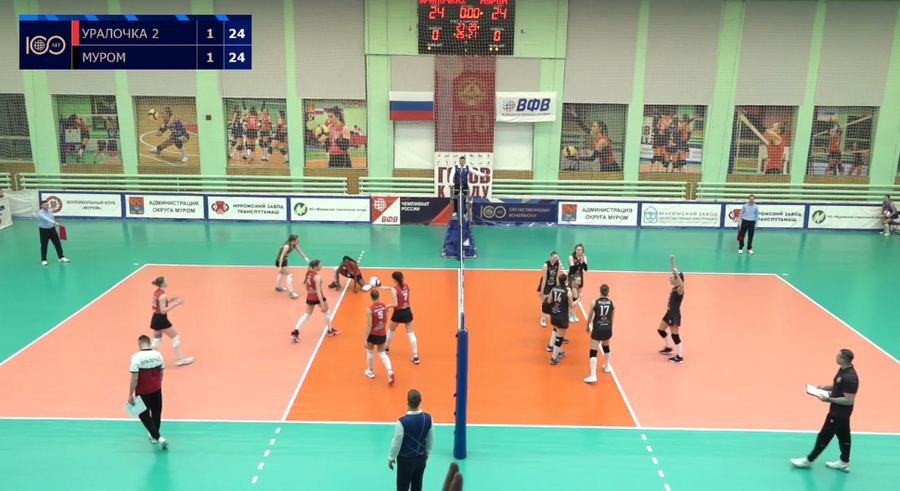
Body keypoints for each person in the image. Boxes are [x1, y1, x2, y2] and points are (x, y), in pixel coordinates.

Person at [791, 349, 859, 473]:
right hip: (840, 413)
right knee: (844, 436)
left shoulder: (850, 378)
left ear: (843, 359)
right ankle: (844, 462)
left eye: (838, 356)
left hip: (839, 413)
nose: (836, 358)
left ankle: (809, 460)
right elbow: (838, 386)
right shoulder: (843, 371)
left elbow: (849, 400)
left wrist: (828, 399)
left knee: (824, 436)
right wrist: (823, 388)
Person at [389, 389, 434, 491]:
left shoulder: (402, 422)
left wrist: (391, 457)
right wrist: (427, 453)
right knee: (417, 486)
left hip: (405, 461)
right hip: (421, 458)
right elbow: (430, 438)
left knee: (402, 487)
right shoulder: (428, 418)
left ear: (408, 402)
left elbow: (396, 442)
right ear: (420, 401)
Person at [128, 334, 167, 449]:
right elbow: (161, 373)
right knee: (156, 413)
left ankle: (158, 437)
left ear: (139, 344)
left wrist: (130, 394)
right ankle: (154, 435)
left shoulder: (136, 357)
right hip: (157, 389)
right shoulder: (158, 355)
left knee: (143, 414)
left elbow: (134, 378)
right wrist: (157, 384)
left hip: (143, 391)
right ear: (149, 343)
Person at [291, 260, 340, 342]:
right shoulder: (317, 277)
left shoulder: (308, 273)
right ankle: (330, 330)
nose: (321, 267)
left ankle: (295, 332)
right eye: (320, 266)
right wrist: (322, 303)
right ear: (315, 267)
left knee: (306, 316)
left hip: (310, 296)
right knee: (327, 312)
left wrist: (311, 291)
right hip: (318, 297)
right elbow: (318, 291)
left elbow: (307, 287)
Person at [150, 277, 194, 366]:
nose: (167, 281)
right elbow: (163, 310)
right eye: (166, 281)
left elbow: (159, 304)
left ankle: (148, 358)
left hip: (155, 318)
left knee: (156, 341)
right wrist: (175, 304)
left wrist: (170, 300)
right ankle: (181, 359)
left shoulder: (157, 292)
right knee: (175, 337)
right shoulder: (162, 295)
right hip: (162, 319)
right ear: (163, 284)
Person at [381, 272, 419, 364]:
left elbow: (395, 304)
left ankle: (386, 348)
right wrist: (388, 288)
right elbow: (399, 289)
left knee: (391, 330)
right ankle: (415, 356)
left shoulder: (394, 289)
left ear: (394, 279)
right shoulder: (406, 286)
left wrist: (387, 306)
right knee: (411, 333)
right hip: (407, 312)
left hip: (398, 313)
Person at [657, 255, 685, 364]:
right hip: (669, 313)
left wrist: (677, 275)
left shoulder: (680, 289)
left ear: (677, 280)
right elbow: (674, 270)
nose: (670, 278)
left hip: (674, 315)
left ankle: (680, 357)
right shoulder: (675, 287)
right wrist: (672, 261)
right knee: (661, 330)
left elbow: (681, 283)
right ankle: (668, 348)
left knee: (675, 335)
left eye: (672, 277)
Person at [584, 284, 614, 382]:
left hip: (598, 328)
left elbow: (590, 316)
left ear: (600, 291)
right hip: (607, 328)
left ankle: (593, 375)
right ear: (608, 292)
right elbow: (611, 319)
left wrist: (587, 326)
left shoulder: (594, 302)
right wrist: (610, 328)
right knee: (606, 346)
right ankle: (607, 366)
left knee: (593, 351)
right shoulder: (612, 303)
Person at [365, 289, 395, 384]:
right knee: (382, 353)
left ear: (371, 297)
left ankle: (371, 371)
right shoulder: (383, 306)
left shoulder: (369, 310)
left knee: (370, 352)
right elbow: (385, 319)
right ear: (378, 296)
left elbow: (369, 325)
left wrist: (366, 338)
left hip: (373, 334)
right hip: (382, 333)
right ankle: (390, 371)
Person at [546, 273, 576, 365]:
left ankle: (557, 350)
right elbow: (571, 305)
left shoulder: (554, 289)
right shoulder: (568, 292)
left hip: (554, 314)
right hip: (562, 316)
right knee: (560, 337)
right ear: (566, 281)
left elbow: (549, 301)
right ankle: (554, 358)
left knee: (556, 330)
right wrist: (579, 299)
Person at [276, 234, 309, 299]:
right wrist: (279, 266)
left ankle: (278, 287)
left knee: (282, 273)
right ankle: (291, 292)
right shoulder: (287, 246)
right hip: (280, 261)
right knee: (290, 275)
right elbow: (281, 256)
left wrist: (306, 259)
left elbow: (300, 251)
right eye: (297, 240)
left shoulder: (294, 245)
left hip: (285, 261)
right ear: (293, 240)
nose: (299, 241)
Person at [37, 200, 69, 266]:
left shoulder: (50, 211)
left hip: (52, 229)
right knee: (44, 245)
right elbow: (46, 219)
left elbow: (52, 218)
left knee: (57, 243)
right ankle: (44, 259)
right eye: (45, 205)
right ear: (42, 206)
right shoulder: (40, 213)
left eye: (47, 204)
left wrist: (55, 227)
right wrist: (54, 223)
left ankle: (61, 257)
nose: (47, 206)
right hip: (44, 230)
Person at [536, 252, 561, 327]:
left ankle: (548, 313)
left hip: (553, 284)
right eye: (554, 257)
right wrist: (542, 291)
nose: (555, 259)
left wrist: (558, 288)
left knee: (552, 301)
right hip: (546, 284)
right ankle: (543, 319)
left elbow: (557, 276)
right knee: (545, 302)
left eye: (556, 258)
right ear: (551, 257)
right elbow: (544, 279)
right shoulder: (546, 265)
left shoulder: (558, 263)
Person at [567, 244, 588, 323]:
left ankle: (573, 313)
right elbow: (572, 269)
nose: (579, 251)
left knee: (578, 296)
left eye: (581, 250)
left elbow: (585, 269)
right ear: (575, 250)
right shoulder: (571, 257)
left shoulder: (584, 257)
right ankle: (570, 314)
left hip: (580, 279)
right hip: (572, 278)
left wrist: (584, 262)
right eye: (578, 250)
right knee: (574, 297)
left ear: (583, 251)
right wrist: (580, 263)